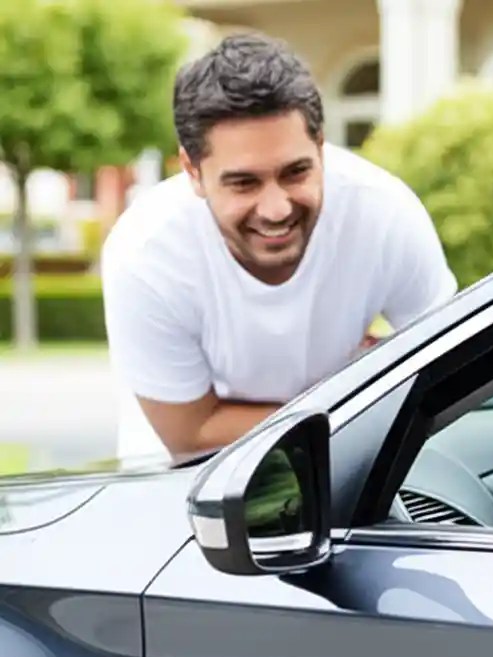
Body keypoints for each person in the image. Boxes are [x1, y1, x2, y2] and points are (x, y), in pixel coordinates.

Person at [101, 33, 457, 462]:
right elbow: (192, 433)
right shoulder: (145, 252)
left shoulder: (385, 214)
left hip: (344, 464)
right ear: (192, 171)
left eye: (295, 173)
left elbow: (448, 370)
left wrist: (379, 378)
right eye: (244, 183)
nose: (275, 208)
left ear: (321, 149)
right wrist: (359, 387)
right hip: (182, 484)